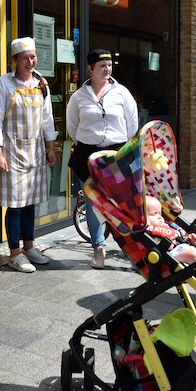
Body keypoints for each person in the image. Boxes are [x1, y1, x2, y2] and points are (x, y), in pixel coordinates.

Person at [0, 37, 59, 273]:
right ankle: (14, 252)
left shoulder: (41, 84)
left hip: (35, 150)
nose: (31, 61)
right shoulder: (3, 84)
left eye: (33, 56)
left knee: (30, 203)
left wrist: (50, 147)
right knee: (15, 205)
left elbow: (47, 118)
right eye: (25, 57)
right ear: (15, 60)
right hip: (12, 151)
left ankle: (30, 246)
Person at [66, 48, 139, 269]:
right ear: (90, 69)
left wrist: (119, 150)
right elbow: (72, 126)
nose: (107, 70)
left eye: (109, 65)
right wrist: (89, 143)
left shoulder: (122, 93)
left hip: (116, 155)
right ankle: (98, 247)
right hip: (87, 155)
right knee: (92, 202)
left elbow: (132, 124)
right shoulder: (78, 97)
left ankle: (129, 246)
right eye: (101, 66)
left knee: (122, 202)